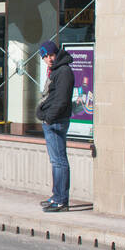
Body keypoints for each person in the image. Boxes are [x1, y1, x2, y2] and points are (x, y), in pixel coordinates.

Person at [36, 40, 74, 211]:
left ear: (56, 54)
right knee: (56, 161)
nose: (49, 59)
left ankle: (61, 200)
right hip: (51, 121)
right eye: (45, 56)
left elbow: (62, 100)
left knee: (59, 162)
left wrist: (49, 117)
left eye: (51, 55)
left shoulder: (63, 71)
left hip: (57, 122)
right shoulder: (56, 70)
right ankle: (56, 196)